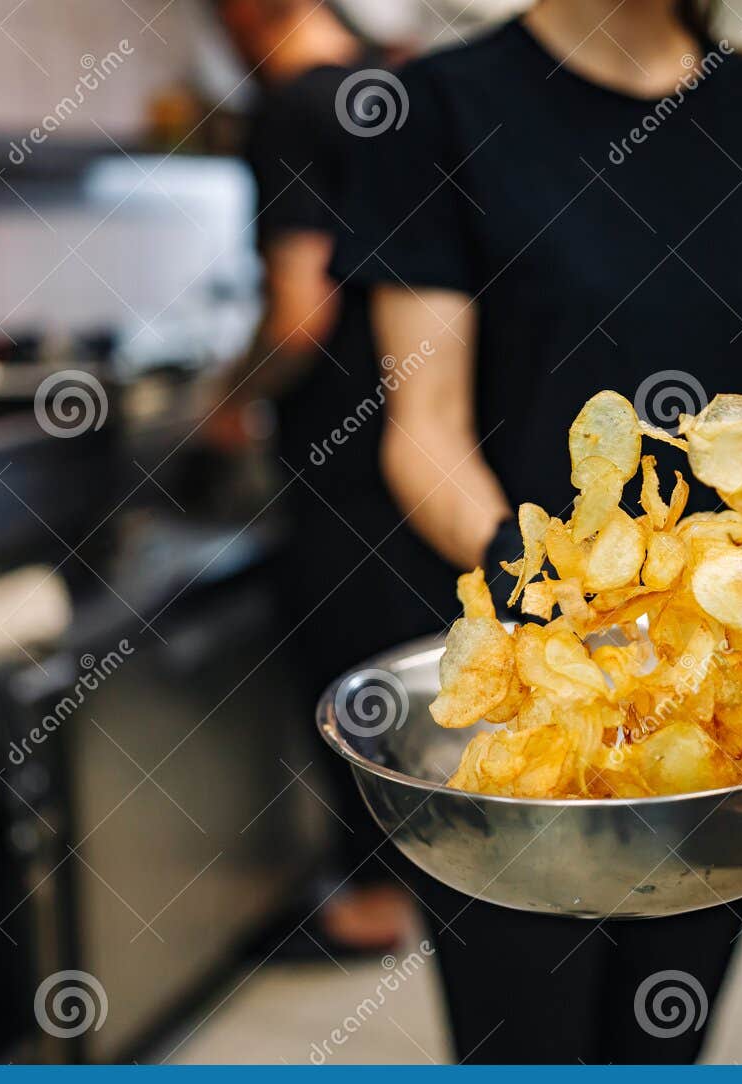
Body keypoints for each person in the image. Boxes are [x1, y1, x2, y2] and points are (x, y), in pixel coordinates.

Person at [330, 0, 742, 1061]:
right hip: (526, 711)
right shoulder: (438, 109)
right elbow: (422, 434)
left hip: (720, 722)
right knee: (526, 1058)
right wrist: (566, 613)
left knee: (660, 1056)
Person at [213, 0, 444, 952]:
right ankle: (429, 886)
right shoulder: (404, 91)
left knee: (354, 681)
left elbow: (298, 315)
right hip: (431, 443)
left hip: (343, 463)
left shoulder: (292, 109)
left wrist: (228, 397)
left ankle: (373, 909)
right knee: (410, 675)